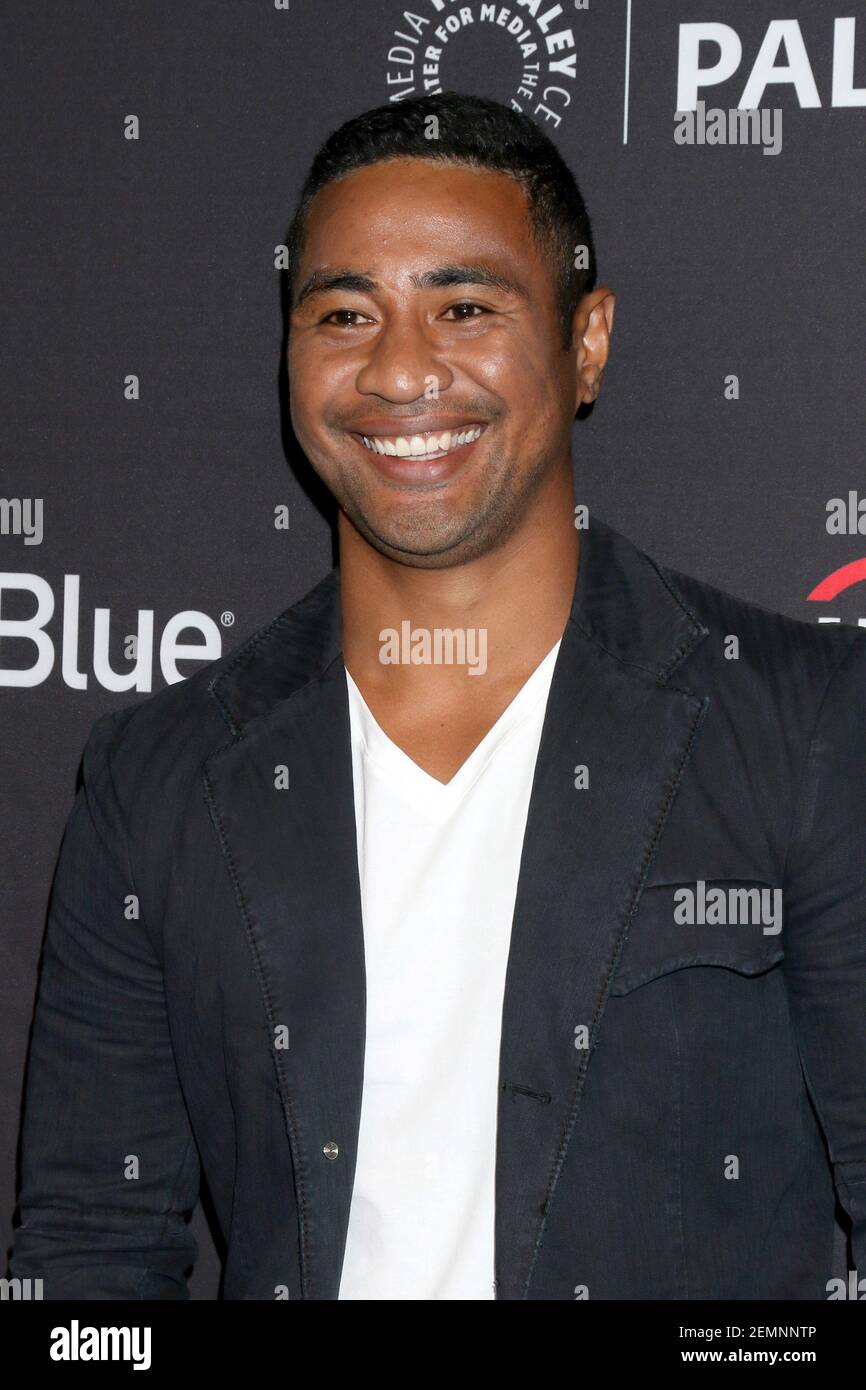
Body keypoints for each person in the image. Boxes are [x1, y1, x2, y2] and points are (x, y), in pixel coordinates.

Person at [9, 92, 866, 1301]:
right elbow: (85, 1269)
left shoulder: (808, 728)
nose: (400, 368)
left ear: (586, 342)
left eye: (462, 307)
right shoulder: (155, 779)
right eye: (345, 313)